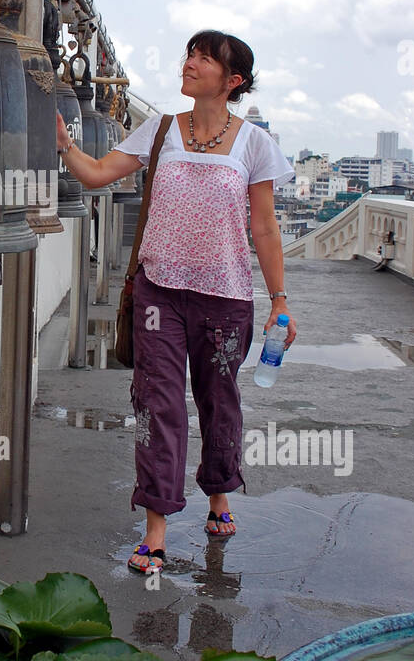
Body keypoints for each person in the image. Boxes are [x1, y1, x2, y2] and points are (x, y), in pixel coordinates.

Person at [55, 30, 297, 577]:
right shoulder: (160, 130)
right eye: (190, 54)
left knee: (218, 402)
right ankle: (157, 528)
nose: (189, 63)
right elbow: (97, 173)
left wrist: (279, 300)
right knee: (156, 404)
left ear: (231, 81)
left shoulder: (254, 144)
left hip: (226, 298)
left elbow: (263, 227)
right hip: (159, 293)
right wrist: (65, 145)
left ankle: (218, 492)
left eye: (204, 58)